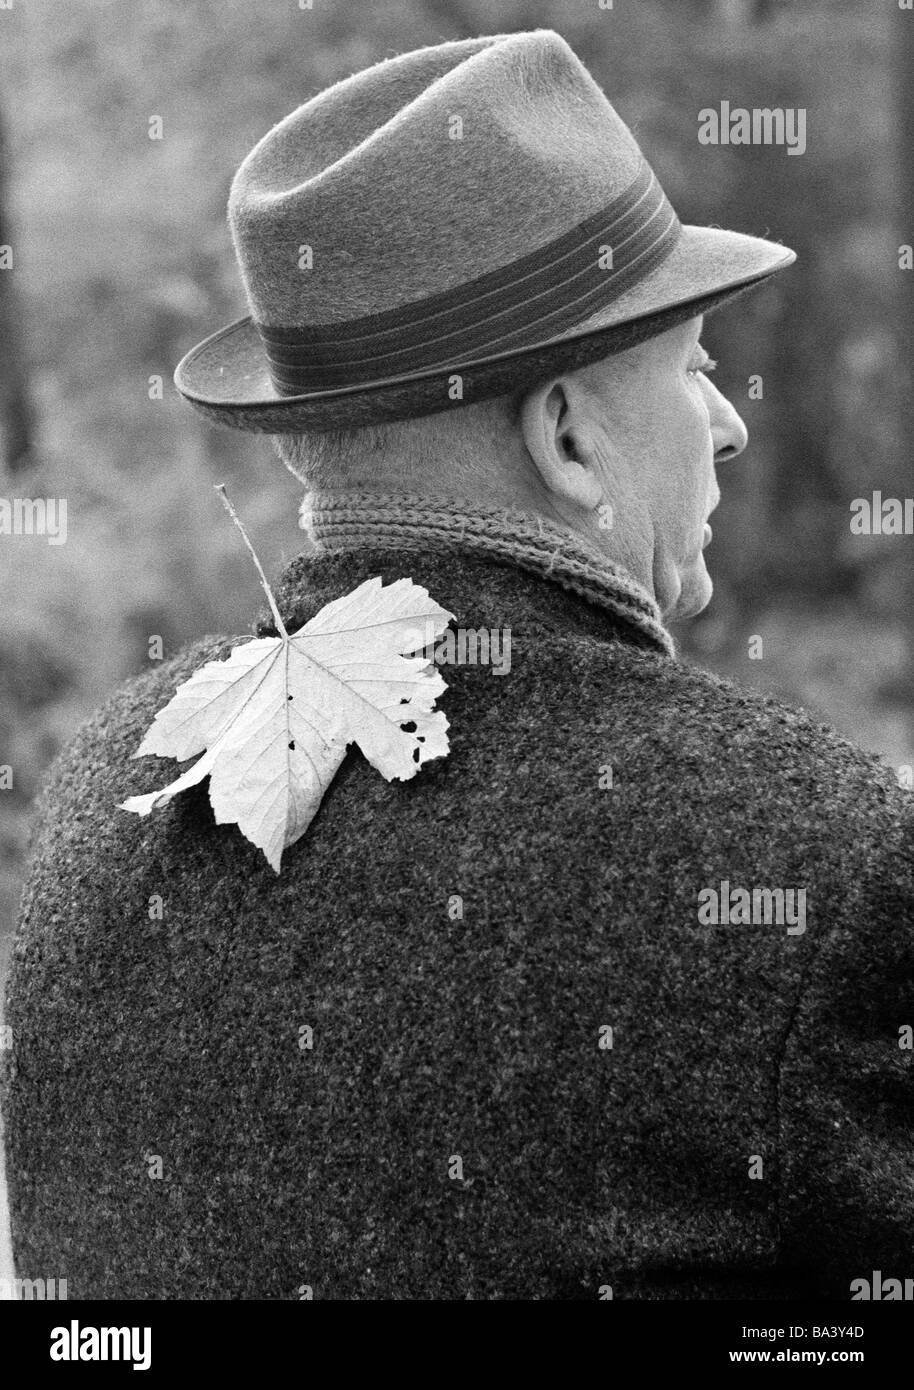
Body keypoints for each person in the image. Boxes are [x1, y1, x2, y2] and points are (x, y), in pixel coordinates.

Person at [4, 30, 912, 1301]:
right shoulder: (815, 863)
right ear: (566, 437)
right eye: (694, 365)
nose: (728, 419)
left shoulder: (107, 796)